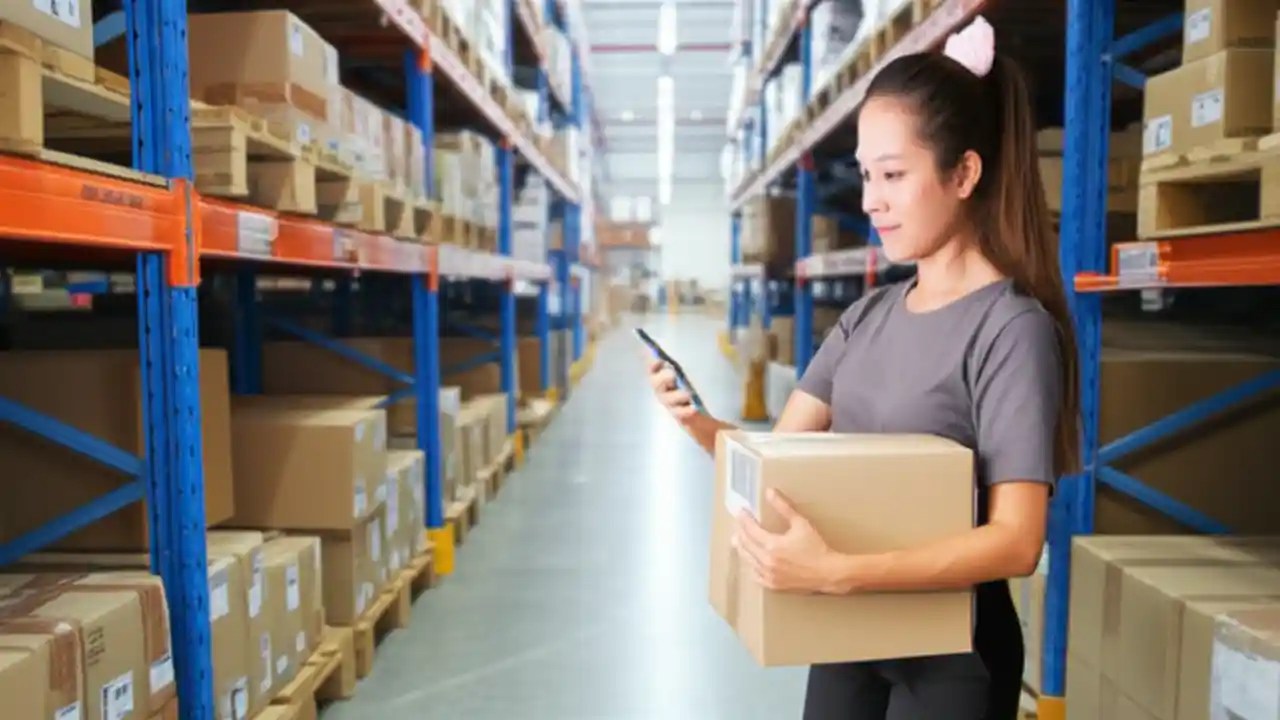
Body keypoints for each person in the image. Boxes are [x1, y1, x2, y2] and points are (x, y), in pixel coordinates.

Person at [643, 15, 1079, 720]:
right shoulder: (869, 316)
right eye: (867, 174)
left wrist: (840, 573)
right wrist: (698, 423)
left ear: (963, 173)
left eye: (895, 175)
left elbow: (1017, 542)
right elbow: (781, 457)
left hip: (952, 659)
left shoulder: (1010, 330)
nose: (872, 199)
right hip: (849, 636)